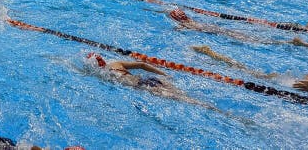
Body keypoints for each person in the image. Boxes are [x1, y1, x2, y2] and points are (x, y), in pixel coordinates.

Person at [85, 53, 214, 108]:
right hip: (149, 79)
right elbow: (142, 64)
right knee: (185, 96)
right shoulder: (116, 63)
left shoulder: (102, 74)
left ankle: (220, 112)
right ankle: (213, 107)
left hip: (144, 85)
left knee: (187, 100)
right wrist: (164, 74)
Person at [168, 8, 308, 46]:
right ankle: (288, 42)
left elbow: (179, 29)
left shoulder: (187, 25)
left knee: (255, 41)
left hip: (223, 34)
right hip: (223, 31)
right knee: (255, 39)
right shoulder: (192, 21)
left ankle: (289, 42)